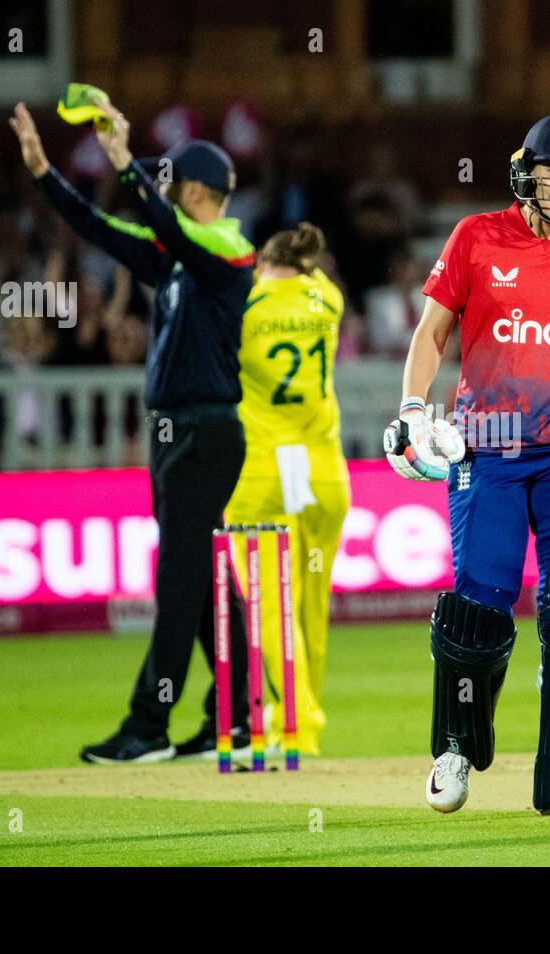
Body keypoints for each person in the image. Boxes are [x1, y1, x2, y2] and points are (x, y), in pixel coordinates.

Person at [383, 114, 550, 817]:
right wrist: (413, 409)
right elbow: (432, 331)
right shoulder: (475, 237)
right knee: (477, 606)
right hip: (488, 445)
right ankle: (455, 749)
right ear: (524, 169)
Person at [9, 101, 257, 763]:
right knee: (198, 576)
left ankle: (148, 725)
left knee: (178, 580)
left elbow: (163, 226)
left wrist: (123, 163)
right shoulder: (177, 262)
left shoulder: (229, 251)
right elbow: (100, 227)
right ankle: (239, 714)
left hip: (205, 432)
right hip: (177, 434)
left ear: (197, 192)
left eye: (172, 187)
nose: (161, 198)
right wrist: (43, 175)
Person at [179, 223, 349, 760]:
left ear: (260, 266)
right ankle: (304, 723)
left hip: (261, 470)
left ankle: (298, 716)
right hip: (323, 469)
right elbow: (310, 276)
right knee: (310, 605)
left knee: (270, 609)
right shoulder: (328, 298)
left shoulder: (245, 302)